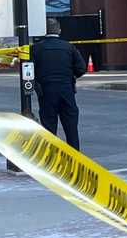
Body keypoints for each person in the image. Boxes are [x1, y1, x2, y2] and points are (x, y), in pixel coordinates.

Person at [31, 17, 86, 150]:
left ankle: (51, 157)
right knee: (71, 127)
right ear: (59, 30)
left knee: (49, 128)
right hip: (66, 90)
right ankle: (75, 158)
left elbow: (29, 71)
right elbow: (81, 68)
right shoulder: (69, 47)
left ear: (44, 31)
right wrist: (70, 77)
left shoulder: (36, 49)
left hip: (46, 91)